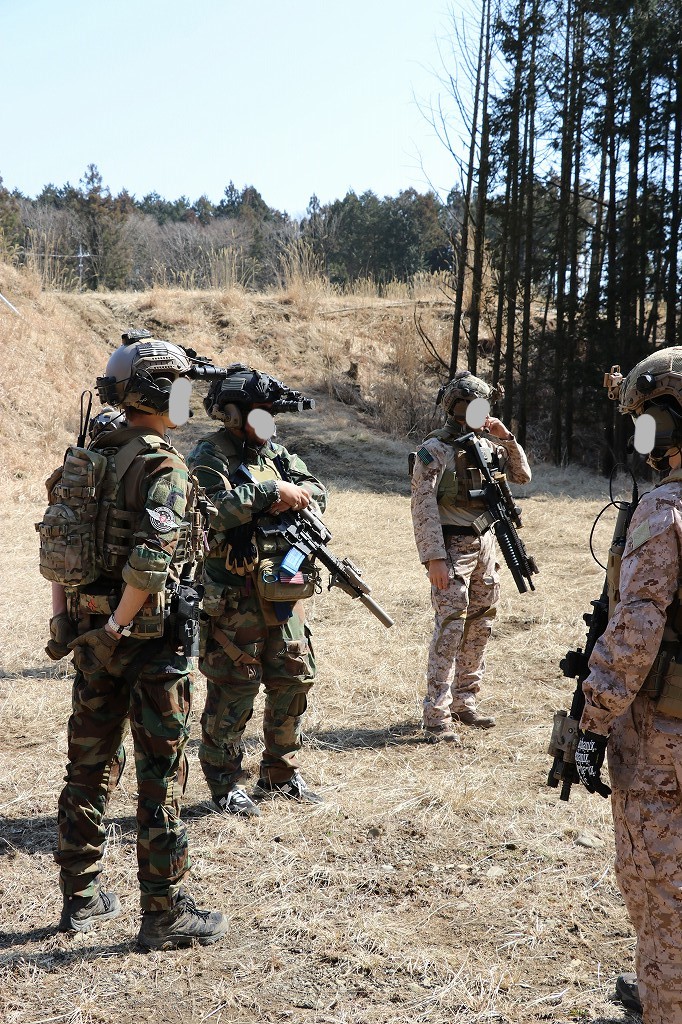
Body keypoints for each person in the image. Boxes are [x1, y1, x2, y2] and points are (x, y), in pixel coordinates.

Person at [41, 331, 227, 949]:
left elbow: (57, 552)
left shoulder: (89, 452)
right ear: (155, 393)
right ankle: (163, 911)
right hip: (147, 640)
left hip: (93, 634)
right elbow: (151, 565)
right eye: (179, 390)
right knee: (160, 772)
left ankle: (82, 897)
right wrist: (121, 626)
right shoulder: (161, 465)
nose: (187, 400)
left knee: (88, 766)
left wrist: (74, 627)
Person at [575, 346, 682, 1024]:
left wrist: (592, 723)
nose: (640, 437)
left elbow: (636, 634)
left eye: (646, 422)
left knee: (659, 892)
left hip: (664, 739)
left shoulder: (664, 510)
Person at [187, 364, 326, 816]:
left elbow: (315, 493)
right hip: (234, 599)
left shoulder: (278, 455)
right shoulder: (209, 456)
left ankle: (280, 772)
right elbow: (209, 511)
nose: (269, 426)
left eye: (272, 417)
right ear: (232, 415)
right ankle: (224, 783)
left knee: (293, 677)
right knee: (234, 688)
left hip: (284, 589)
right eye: (259, 415)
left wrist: (289, 492)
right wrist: (269, 495)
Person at [410, 370, 532, 743]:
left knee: (481, 623)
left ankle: (465, 702)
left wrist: (506, 438)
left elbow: (522, 475)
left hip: (486, 543)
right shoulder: (436, 449)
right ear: (460, 407)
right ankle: (436, 713)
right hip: (451, 547)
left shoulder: (488, 444)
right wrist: (434, 557)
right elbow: (422, 503)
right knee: (450, 626)